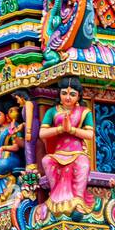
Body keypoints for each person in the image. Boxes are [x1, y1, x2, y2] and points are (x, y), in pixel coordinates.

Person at [38, 76, 94, 214]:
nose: (68, 98)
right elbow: (42, 133)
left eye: (72, 94)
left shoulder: (84, 112)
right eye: (64, 93)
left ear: (79, 96)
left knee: (83, 163)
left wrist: (72, 130)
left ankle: (78, 200)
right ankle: (55, 197)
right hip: (59, 153)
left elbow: (90, 135)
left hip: (77, 152)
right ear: (59, 94)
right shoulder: (52, 111)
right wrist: (61, 129)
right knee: (46, 160)